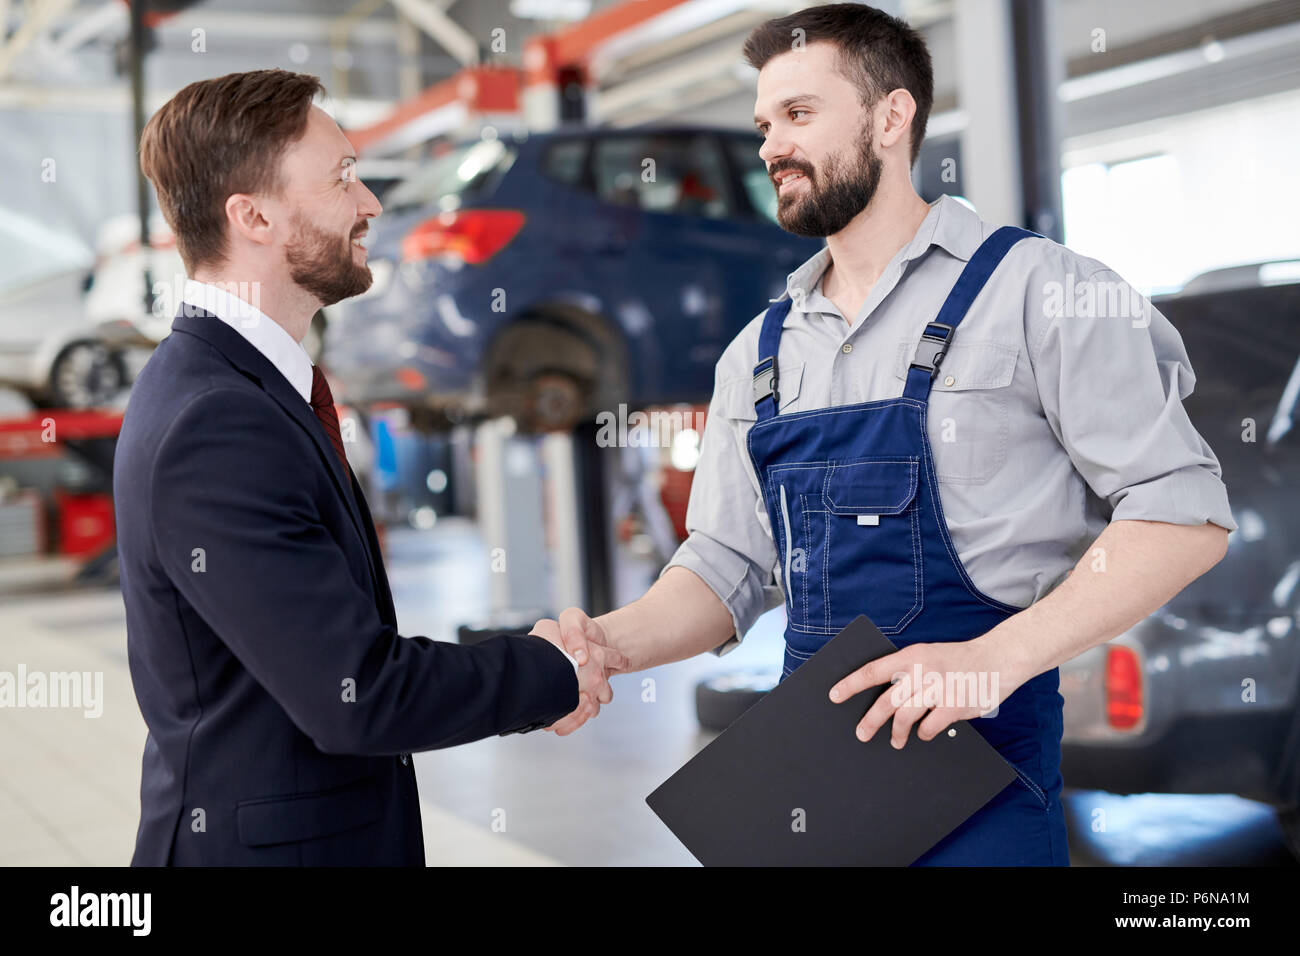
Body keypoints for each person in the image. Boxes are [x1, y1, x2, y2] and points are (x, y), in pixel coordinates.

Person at [551, 3, 1235, 866]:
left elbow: (1181, 518)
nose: (769, 146)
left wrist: (991, 659)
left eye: (799, 115)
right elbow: (724, 566)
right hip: (816, 780)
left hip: (984, 775)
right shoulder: (755, 355)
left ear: (890, 116)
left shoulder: (1039, 291)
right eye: (764, 124)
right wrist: (603, 646)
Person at [114, 69, 625, 865]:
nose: (371, 205)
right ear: (251, 216)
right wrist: (549, 670)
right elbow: (358, 695)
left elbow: (325, 646)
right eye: (343, 178)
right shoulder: (218, 419)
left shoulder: (240, 388)